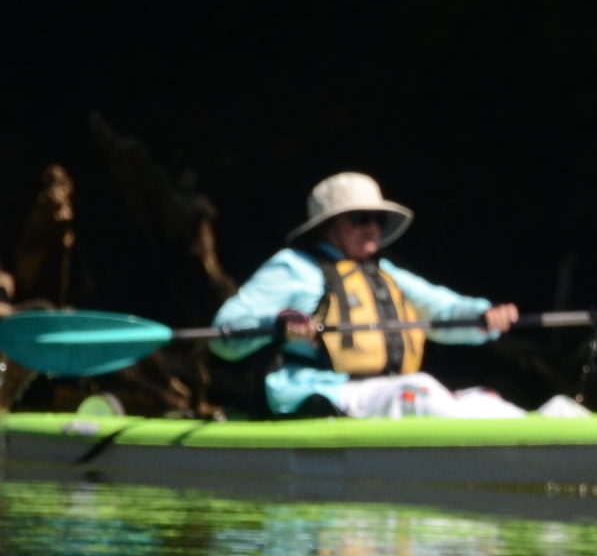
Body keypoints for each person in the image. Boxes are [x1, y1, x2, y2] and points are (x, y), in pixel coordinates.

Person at [211, 172, 571, 419]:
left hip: (383, 394)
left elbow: (443, 310)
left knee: (483, 400)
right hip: (316, 394)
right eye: (359, 218)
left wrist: (485, 316)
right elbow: (223, 334)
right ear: (328, 226)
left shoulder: (385, 275)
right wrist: (277, 324)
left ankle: (557, 423)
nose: (372, 227)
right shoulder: (292, 268)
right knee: (420, 390)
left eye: (377, 219)